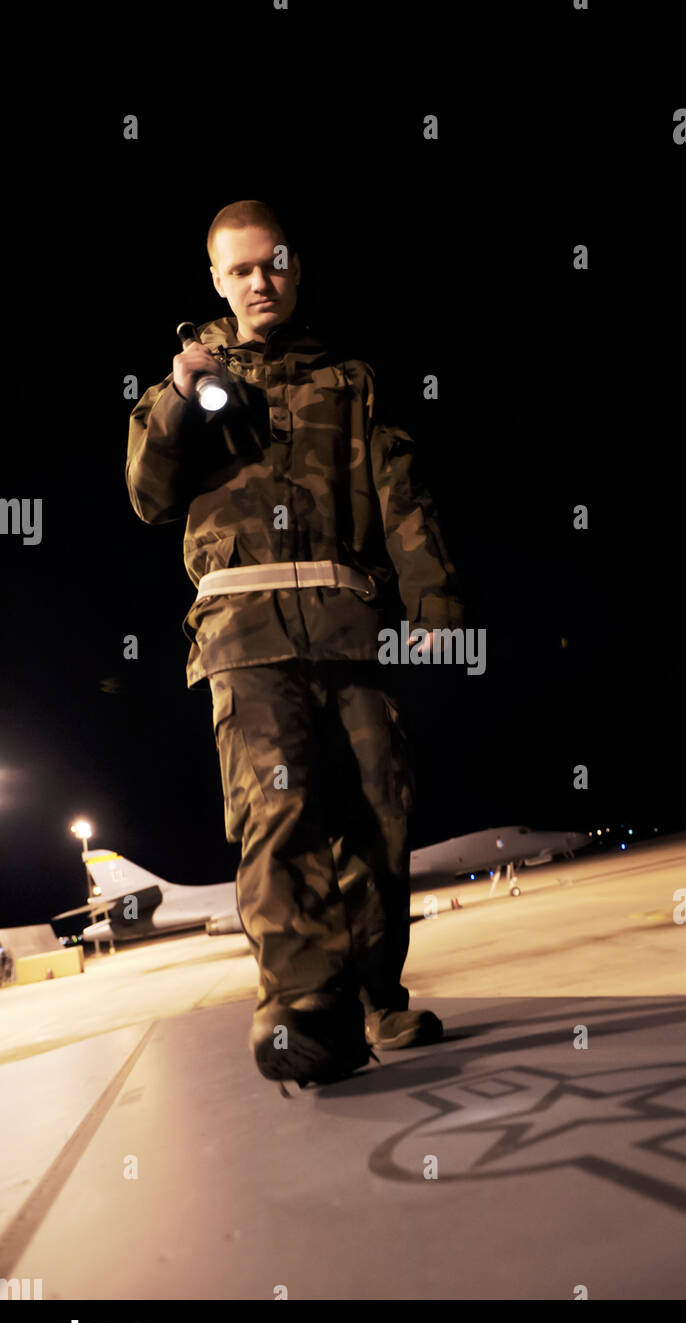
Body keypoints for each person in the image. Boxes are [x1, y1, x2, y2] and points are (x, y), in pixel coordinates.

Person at [126, 200, 465, 1091]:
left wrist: (436, 606)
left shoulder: (350, 382)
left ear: (295, 266)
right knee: (277, 818)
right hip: (243, 636)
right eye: (240, 270)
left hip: (347, 627)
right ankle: (306, 1015)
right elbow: (148, 497)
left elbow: (404, 501)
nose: (259, 282)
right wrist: (176, 403)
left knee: (379, 816)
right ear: (217, 281)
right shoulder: (186, 388)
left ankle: (376, 994)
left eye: (271, 264)